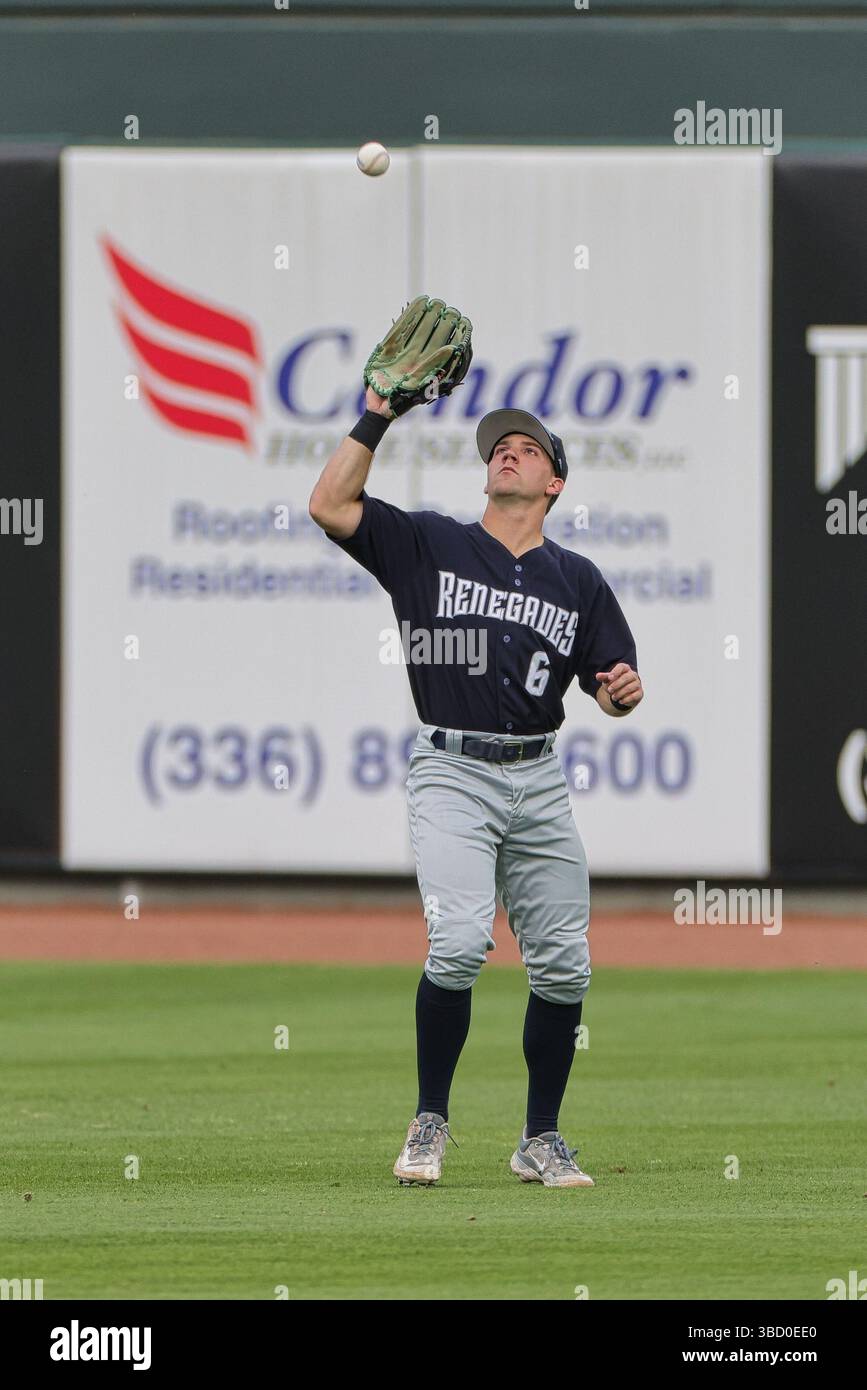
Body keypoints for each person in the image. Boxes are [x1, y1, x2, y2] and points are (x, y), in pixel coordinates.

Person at [309, 382, 642, 1189]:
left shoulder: (578, 579)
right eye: (499, 445)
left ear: (553, 483)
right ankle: (428, 1120)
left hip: (537, 777)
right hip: (452, 769)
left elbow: (607, 680)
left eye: (526, 447)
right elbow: (328, 504)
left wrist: (617, 691)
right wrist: (378, 413)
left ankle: (540, 1138)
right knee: (458, 944)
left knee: (563, 968)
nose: (508, 451)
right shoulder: (428, 545)